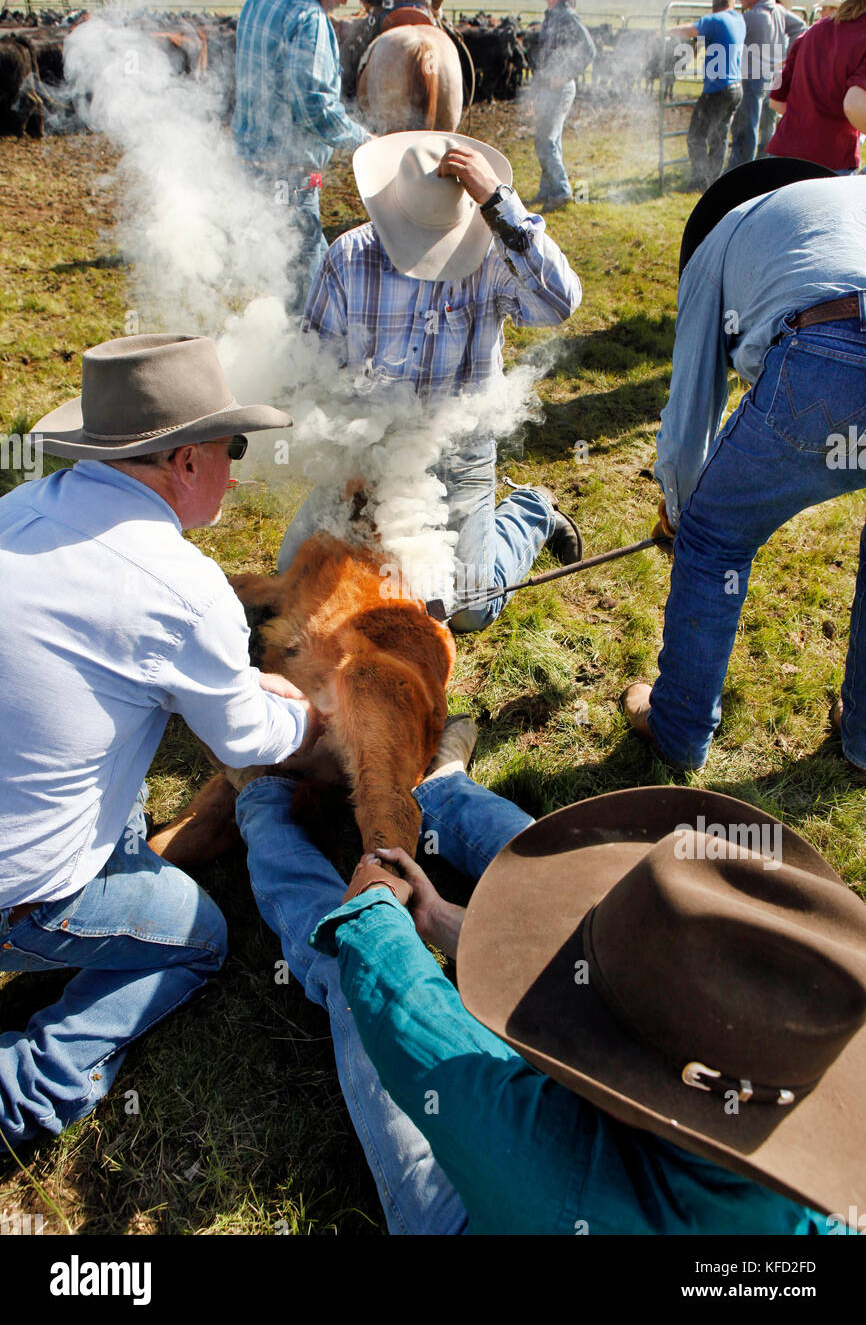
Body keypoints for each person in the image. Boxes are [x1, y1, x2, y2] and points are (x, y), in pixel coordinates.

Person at [234, 724, 866, 1233]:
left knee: (351, 984)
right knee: (595, 905)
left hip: (484, 1208)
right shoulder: (819, 1163)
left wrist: (374, 915)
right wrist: (453, 922)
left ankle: (262, 804)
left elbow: (419, 1040)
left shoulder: (549, 1176)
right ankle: (445, 790)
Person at [0, 334, 322, 1149]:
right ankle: (27, 1085)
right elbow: (251, 738)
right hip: (20, 889)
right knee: (198, 938)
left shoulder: (15, 512)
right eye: (231, 447)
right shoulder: (182, 589)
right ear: (184, 460)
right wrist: (306, 715)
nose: (238, 469)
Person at [276, 130, 583, 632]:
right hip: (368, 453)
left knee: (467, 608)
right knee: (296, 576)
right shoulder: (347, 257)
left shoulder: (491, 256)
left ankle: (531, 511)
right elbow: (313, 369)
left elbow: (561, 302)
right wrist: (343, 455)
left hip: (458, 457)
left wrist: (500, 205)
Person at [621, 175, 866, 773]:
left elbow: (691, 408)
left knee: (716, 541)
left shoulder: (720, 243)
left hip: (828, 356)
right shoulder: (844, 198)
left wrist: (681, 515)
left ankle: (677, 729)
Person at [232, 0, 382, 302]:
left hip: (251, 172)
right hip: (292, 180)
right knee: (313, 295)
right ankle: (306, 357)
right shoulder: (310, 17)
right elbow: (315, 105)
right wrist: (370, 144)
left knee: (275, 284)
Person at [767, 0, 866, 174]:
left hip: (782, 155)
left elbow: (776, 102)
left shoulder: (812, 32)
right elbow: (855, 105)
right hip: (830, 163)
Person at [529, 0, 595, 210]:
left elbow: (588, 49)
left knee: (546, 140)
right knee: (548, 139)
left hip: (560, 87)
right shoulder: (552, 16)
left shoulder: (567, 16)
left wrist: (565, 74)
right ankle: (548, 190)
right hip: (550, 87)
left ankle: (561, 191)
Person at [671, 0, 745, 193]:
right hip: (736, 88)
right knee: (719, 137)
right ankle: (713, 184)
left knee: (696, 136)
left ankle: (698, 182)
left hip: (717, 90)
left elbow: (690, 30)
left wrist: (665, 31)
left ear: (714, 8)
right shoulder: (739, 19)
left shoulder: (716, 19)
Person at [727, 0, 787, 168]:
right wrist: (787, 56)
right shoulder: (778, 10)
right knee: (767, 121)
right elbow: (800, 27)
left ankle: (745, 168)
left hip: (754, 76)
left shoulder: (752, 16)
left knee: (748, 123)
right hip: (773, 74)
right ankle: (763, 161)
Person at [758, 0, 806, 153]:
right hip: (772, 69)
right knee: (768, 115)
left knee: (767, 114)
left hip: (771, 70)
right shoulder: (780, 16)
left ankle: (765, 153)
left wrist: (789, 56)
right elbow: (801, 28)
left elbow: (801, 28)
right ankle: (765, 152)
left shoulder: (775, 14)